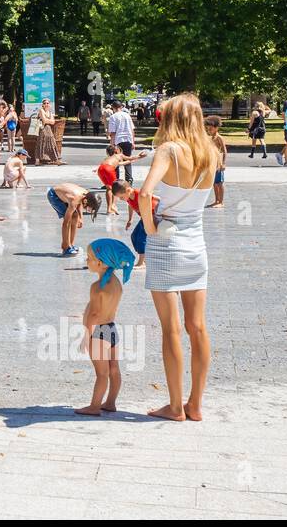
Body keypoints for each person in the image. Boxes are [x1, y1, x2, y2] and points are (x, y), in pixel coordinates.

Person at [137, 93, 215, 422]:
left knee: (171, 330)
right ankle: (195, 404)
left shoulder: (168, 150)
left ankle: (174, 405)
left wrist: (150, 227)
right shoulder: (211, 152)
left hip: (166, 244)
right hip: (196, 244)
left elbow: (144, 193)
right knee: (197, 327)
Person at [76, 238, 136, 416]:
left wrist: (86, 336)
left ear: (100, 263)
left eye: (89, 257)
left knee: (101, 374)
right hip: (112, 330)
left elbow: (94, 314)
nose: (86, 261)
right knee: (114, 369)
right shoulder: (116, 283)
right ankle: (110, 402)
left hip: (99, 332)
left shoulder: (97, 287)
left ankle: (94, 406)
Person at [46, 182, 99, 257]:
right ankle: (66, 247)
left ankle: (71, 245)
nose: (88, 210)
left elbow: (79, 203)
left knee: (75, 216)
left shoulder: (86, 195)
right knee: (70, 219)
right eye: (89, 208)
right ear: (86, 201)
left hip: (66, 195)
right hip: (54, 195)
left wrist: (81, 217)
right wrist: (64, 244)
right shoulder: (75, 199)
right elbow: (66, 222)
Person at [112, 179, 156, 269]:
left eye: (121, 197)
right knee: (134, 236)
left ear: (128, 190)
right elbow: (130, 205)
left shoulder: (139, 194)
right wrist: (130, 219)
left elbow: (153, 197)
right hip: (144, 218)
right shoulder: (129, 197)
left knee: (141, 238)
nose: (121, 199)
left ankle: (141, 263)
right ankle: (144, 259)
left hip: (151, 216)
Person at [97, 144, 147, 213]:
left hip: (100, 169)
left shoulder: (109, 158)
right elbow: (130, 158)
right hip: (109, 169)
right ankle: (113, 205)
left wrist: (133, 160)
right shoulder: (119, 155)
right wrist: (139, 156)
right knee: (115, 188)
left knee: (109, 188)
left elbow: (122, 163)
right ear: (117, 150)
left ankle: (109, 209)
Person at [107, 102, 139, 182]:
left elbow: (113, 132)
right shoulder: (127, 115)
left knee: (116, 161)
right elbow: (132, 130)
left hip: (118, 141)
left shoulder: (113, 117)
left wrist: (112, 144)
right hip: (128, 140)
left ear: (113, 108)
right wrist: (133, 142)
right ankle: (129, 179)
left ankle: (115, 180)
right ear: (121, 107)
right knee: (127, 161)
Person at [204, 115, 228, 207]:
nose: (209, 131)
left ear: (216, 128)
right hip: (212, 163)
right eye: (208, 129)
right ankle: (216, 200)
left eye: (210, 129)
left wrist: (223, 163)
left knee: (220, 182)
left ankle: (221, 202)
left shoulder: (219, 138)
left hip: (218, 163)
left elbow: (224, 150)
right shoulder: (210, 138)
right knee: (214, 183)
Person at [35, 99, 62, 165]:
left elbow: (53, 122)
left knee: (52, 143)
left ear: (49, 104)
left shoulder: (50, 112)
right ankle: (37, 161)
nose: (46, 104)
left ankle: (55, 159)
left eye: (47, 103)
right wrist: (49, 120)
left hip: (49, 129)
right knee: (40, 143)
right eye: (45, 103)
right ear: (43, 105)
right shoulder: (41, 110)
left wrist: (48, 120)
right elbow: (44, 121)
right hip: (42, 129)